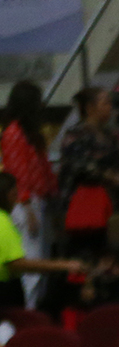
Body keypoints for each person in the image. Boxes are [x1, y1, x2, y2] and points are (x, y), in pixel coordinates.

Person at [2, 82, 57, 306]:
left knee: (41, 260)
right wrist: (26, 206)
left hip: (39, 201)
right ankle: (28, 313)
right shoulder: (13, 133)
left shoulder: (31, 133)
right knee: (31, 261)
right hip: (26, 203)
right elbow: (17, 172)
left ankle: (36, 313)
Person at [56, 86, 119, 255]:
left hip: (109, 203)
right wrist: (108, 175)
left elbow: (118, 165)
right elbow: (78, 165)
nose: (110, 107)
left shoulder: (109, 135)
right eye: (105, 103)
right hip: (84, 204)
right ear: (90, 108)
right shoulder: (76, 134)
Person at [0, 173, 84, 306]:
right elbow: (16, 264)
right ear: (10, 195)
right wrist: (64, 265)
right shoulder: (3, 223)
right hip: (5, 292)